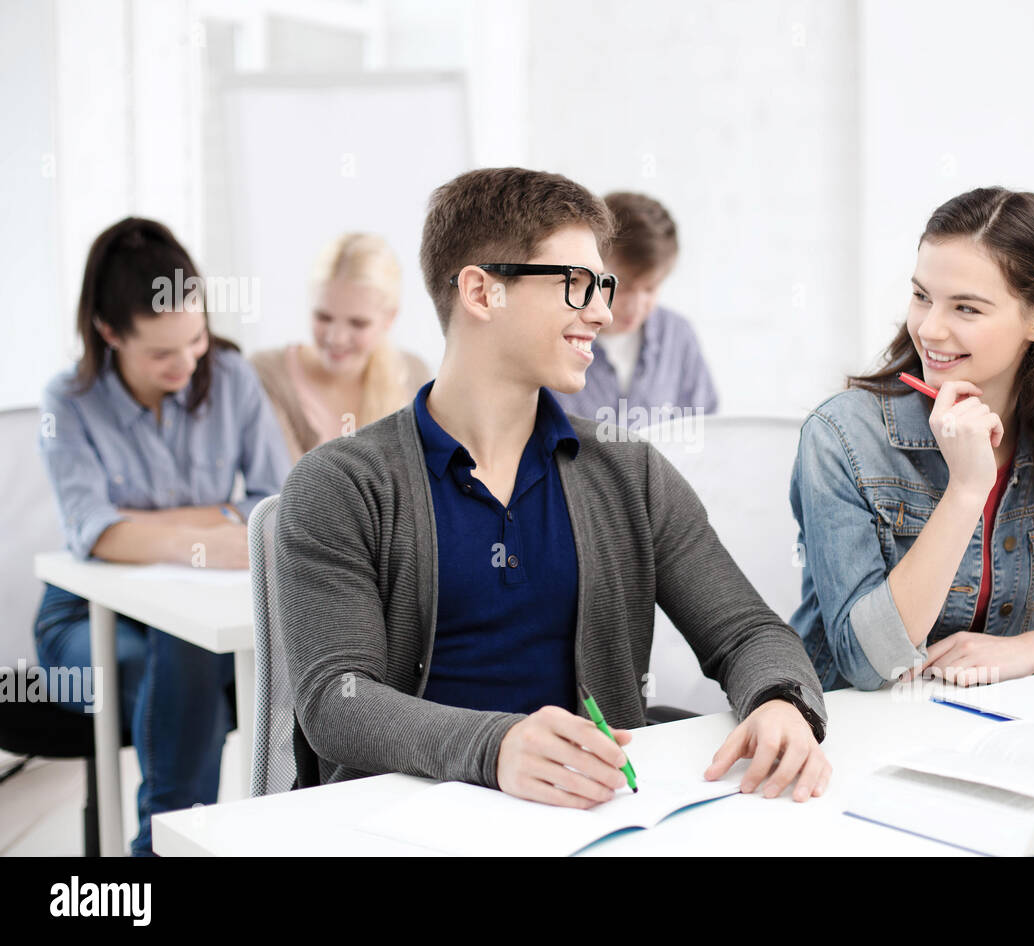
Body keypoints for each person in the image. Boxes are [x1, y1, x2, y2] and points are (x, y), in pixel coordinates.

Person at [275, 167, 830, 808]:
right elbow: (336, 701)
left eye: (603, 286)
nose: (601, 311)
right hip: (404, 821)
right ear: (482, 293)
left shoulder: (629, 470)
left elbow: (746, 633)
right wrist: (498, 746)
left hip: (593, 816)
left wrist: (780, 701)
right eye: (575, 285)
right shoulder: (341, 483)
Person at [789, 187, 1034, 691]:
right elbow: (868, 664)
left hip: (992, 733)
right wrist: (967, 489)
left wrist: (1027, 651)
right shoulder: (841, 436)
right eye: (921, 296)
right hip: (850, 733)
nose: (929, 329)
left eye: (966, 309)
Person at [34, 217, 290, 855]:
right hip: (85, 622)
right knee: (180, 660)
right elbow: (94, 533)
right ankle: (176, 843)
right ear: (109, 332)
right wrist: (205, 529)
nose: (186, 363)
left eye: (196, 338)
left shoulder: (231, 378)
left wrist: (146, 530)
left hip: (194, 620)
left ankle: (159, 849)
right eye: (160, 352)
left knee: (188, 653)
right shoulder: (67, 401)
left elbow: (273, 506)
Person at [251, 233, 428, 464]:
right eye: (323, 317)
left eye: (358, 323)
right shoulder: (269, 373)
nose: (336, 338)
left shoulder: (413, 374)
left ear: (389, 318)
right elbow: (283, 489)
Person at [550, 191, 717, 429]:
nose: (636, 307)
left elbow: (704, 432)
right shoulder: (555, 335)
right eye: (623, 286)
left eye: (650, 289)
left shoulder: (677, 336)